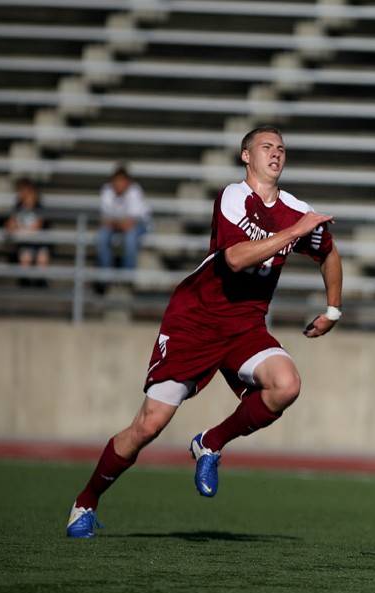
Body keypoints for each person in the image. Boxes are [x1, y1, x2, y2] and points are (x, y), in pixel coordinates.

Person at [66, 125, 344, 538]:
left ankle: (210, 443)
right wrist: (294, 233)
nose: (276, 153)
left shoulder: (295, 210)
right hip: (195, 322)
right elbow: (233, 258)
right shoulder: (234, 197)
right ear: (246, 156)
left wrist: (333, 309)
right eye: (266, 147)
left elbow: (329, 252)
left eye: (282, 148)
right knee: (149, 425)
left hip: (245, 326)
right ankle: (85, 503)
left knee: (286, 385)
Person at [97, 163, 152, 273]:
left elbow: (132, 223)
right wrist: (118, 223)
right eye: (116, 180)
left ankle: (127, 277)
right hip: (117, 226)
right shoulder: (107, 191)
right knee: (101, 237)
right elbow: (105, 220)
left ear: (128, 182)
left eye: (121, 180)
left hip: (141, 225)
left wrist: (115, 222)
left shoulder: (135, 191)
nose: (118, 184)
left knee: (130, 238)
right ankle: (105, 277)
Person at [4, 177, 50, 287]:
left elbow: (37, 227)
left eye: (21, 190)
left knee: (42, 257)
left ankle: (40, 285)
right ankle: (26, 285)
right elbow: (9, 225)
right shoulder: (18, 206)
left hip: (39, 242)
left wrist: (18, 230)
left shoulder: (39, 206)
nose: (19, 193)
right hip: (25, 242)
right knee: (26, 255)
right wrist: (12, 226)